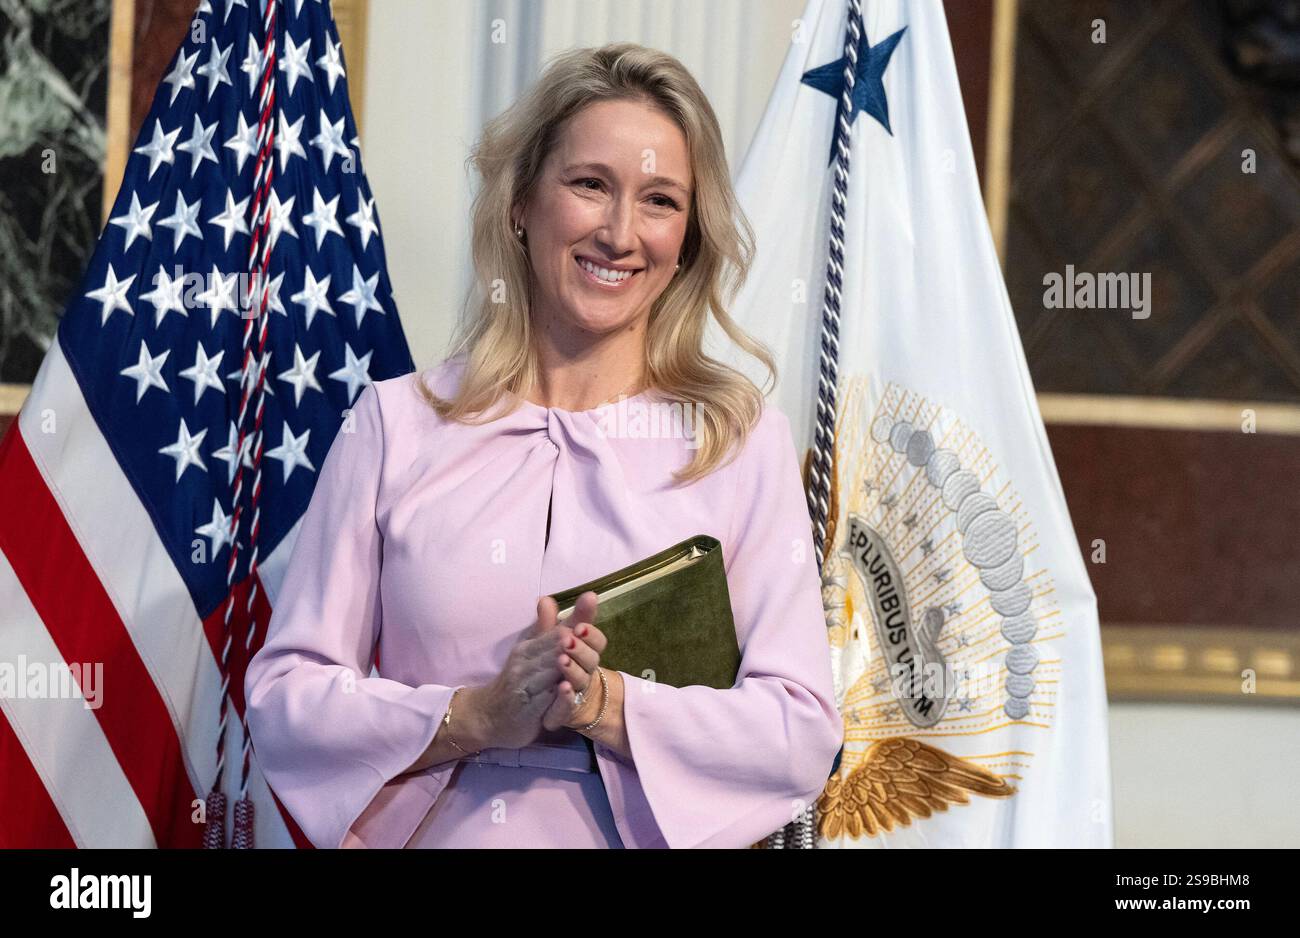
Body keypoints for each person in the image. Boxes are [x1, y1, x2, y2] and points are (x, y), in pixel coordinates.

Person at [244, 41, 843, 849]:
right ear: (522, 202)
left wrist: (608, 707)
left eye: (660, 200)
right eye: (591, 185)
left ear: (690, 238)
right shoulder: (394, 424)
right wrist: (478, 714)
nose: (621, 232)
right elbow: (286, 698)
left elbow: (801, 731)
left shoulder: (739, 446)